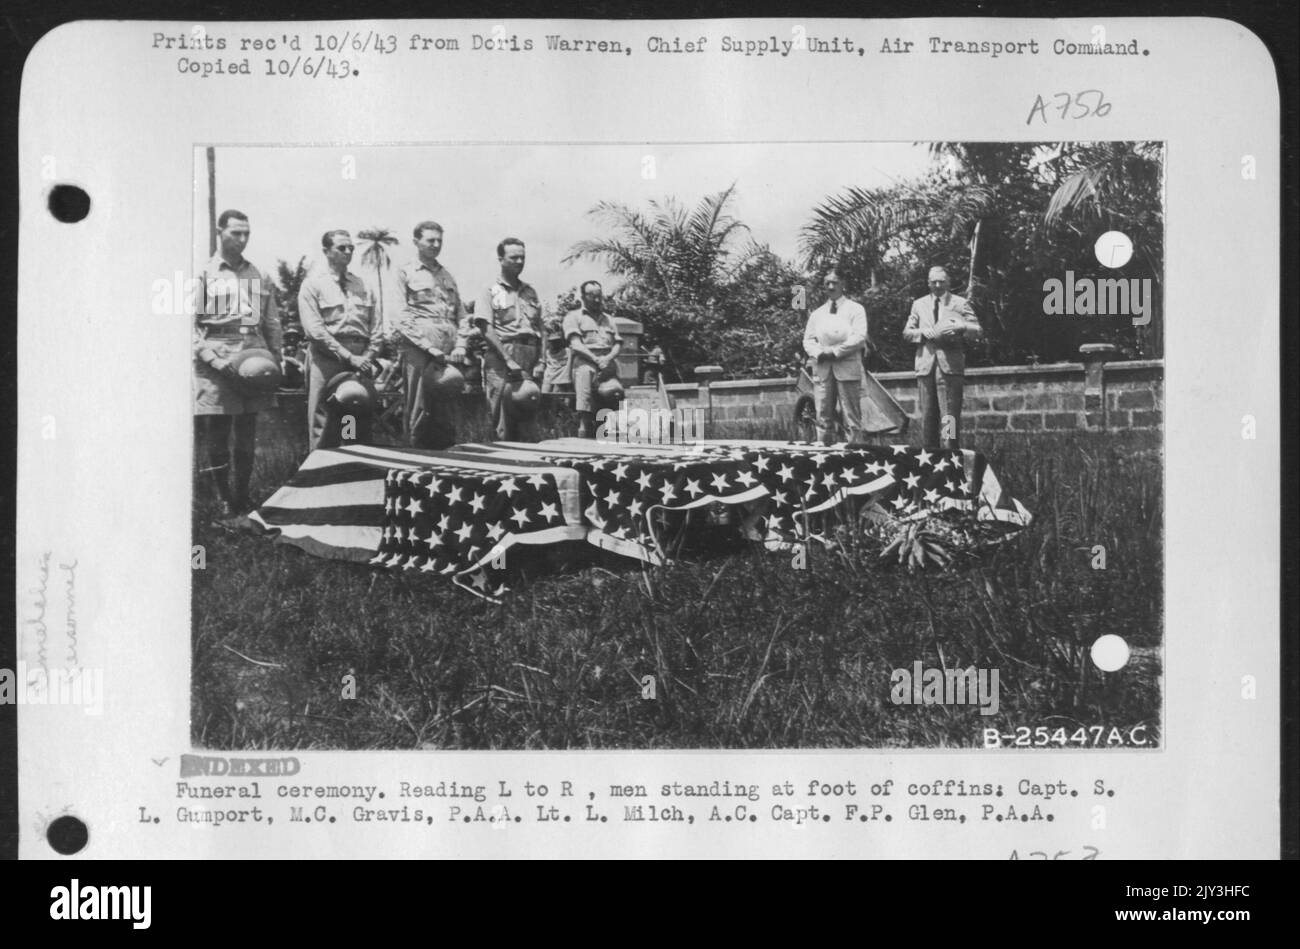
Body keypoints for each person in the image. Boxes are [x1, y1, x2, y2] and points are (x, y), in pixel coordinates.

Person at [193, 209, 283, 522]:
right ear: (220, 232)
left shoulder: (258, 274)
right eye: (236, 233)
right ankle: (222, 500)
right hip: (217, 356)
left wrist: (276, 360)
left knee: (247, 430)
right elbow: (187, 326)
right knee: (218, 430)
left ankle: (243, 496)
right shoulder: (202, 272)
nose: (242, 239)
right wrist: (213, 360)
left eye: (247, 233)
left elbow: (271, 321)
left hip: (254, 356)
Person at [298, 230, 382, 451]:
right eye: (341, 248)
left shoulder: (363, 285)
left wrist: (367, 357)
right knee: (324, 421)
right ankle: (323, 473)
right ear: (326, 251)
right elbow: (314, 331)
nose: (348, 252)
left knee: (354, 412)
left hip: (360, 359)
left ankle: (351, 465)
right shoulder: (313, 284)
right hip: (328, 359)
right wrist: (348, 357)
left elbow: (377, 327)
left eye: (351, 248)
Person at [394, 221, 471, 449]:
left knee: (447, 409)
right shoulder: (405, 272)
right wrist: (428, 347)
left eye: (439, 241)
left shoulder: (447, 275)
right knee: (419, 409)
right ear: (416, 241)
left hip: (449, 349)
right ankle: (418, 466)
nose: (436, 245)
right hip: (420, 348)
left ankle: (446, 462)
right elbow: (400, 315)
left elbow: (462, 315)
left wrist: (461, 346)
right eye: (430, 240)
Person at [902, 266, 982, 449]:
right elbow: (907, 333)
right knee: (928, 419)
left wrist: (962, 327)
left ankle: (951, 456)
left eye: (941, 281)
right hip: (925, 366)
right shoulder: (919, 304)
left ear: (948, 283)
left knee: (949, 419)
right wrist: (923, 333)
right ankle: (930, 463)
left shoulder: (960, 304)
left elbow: (978, 330)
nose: (937, 285)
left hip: (950, 367)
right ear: (928, 283)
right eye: (933, 282)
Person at [475, 237, 543, 440]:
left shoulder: (530, 292)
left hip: (529, 354)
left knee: (528, 405)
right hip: (502, 354)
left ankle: (527, 458)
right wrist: (508, 359)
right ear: (501, 259)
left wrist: (542, 360)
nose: (519, 262)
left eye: (522, 257)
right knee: (501, 412)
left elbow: (541, 328)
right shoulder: (490, 291)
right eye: (514, 257)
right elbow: (485, 328)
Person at [802, 269, 867, 445]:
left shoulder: (856, 309)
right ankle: (824, 459)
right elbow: (808, 340)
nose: (831, 287)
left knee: (851, 417)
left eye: (835, 282)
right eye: (827, 283)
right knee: (823, 415)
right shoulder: (817, 314)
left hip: (847, 368)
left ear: (843, 284)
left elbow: (859, 337)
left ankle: (855, 457)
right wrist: (819, 353)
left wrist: (836, 351)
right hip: (823, 370)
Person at [564, 280, 623, 438]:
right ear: (583, 297)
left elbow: (618, 343)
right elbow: (576, 345)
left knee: (616, 391)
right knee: (584, 374)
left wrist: (608, 358)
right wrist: (597, 360)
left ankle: (611, 427)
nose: (597, 300)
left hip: (607, 361)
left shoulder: (609, 319)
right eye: (592, 297)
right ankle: (583, 426)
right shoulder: (574, 317)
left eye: (599, 296)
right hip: (586, 359)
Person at [540, 313, 573, 395]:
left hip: (563, 380)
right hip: (549, 377)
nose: (555, 344)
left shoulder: (568, 352)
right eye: (552, 342)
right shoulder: (546, 353)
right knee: (545, 392)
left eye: (557, 341)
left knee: (559, 393)